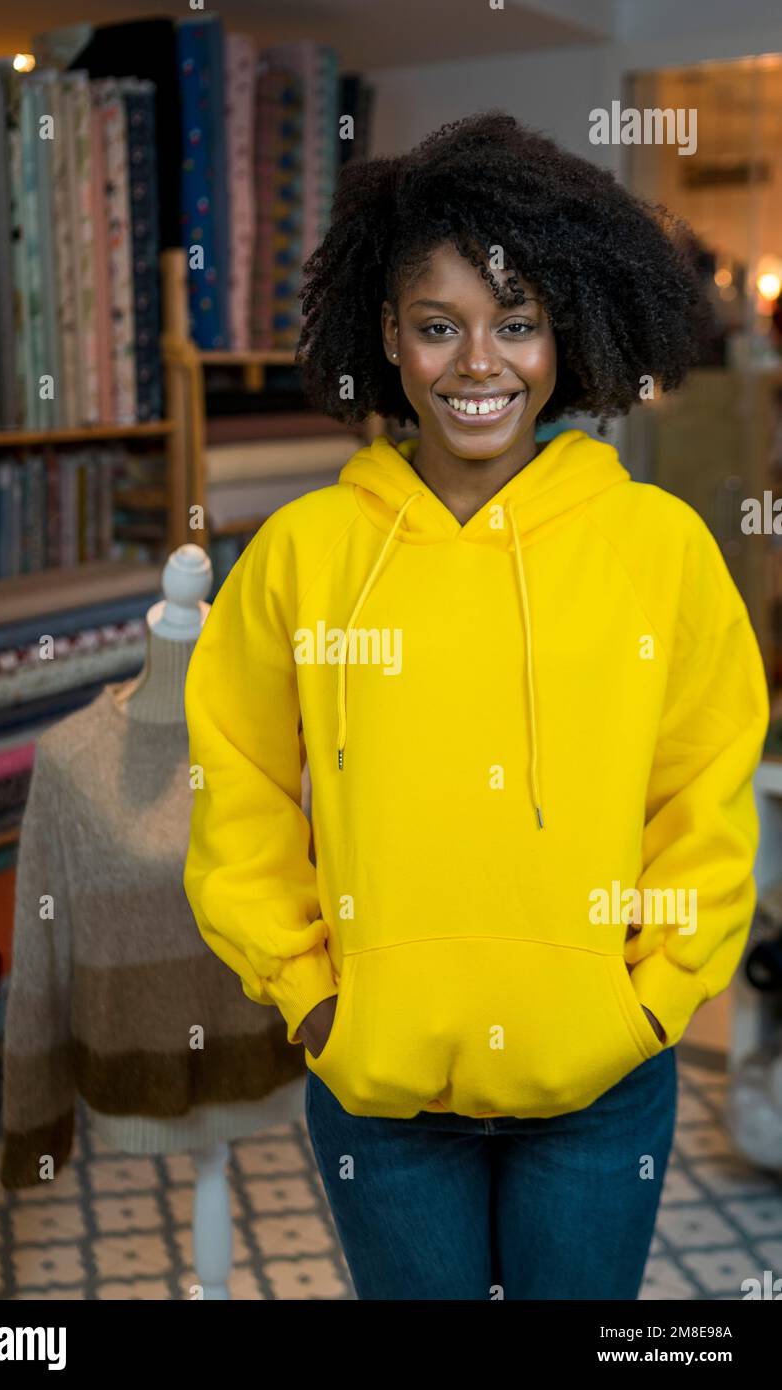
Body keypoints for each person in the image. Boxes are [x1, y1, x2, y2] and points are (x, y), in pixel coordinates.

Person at [183, 111, 769, 1300]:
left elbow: (706, 785)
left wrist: (652, 999)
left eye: (517, 324)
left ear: (566, 334)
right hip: (382, 1090)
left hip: (602, 1088)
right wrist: (308, 994)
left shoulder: (658, 546)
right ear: (387, 337)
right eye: (439, 326)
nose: (479, 364)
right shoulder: (303, 554)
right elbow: (230, 777)